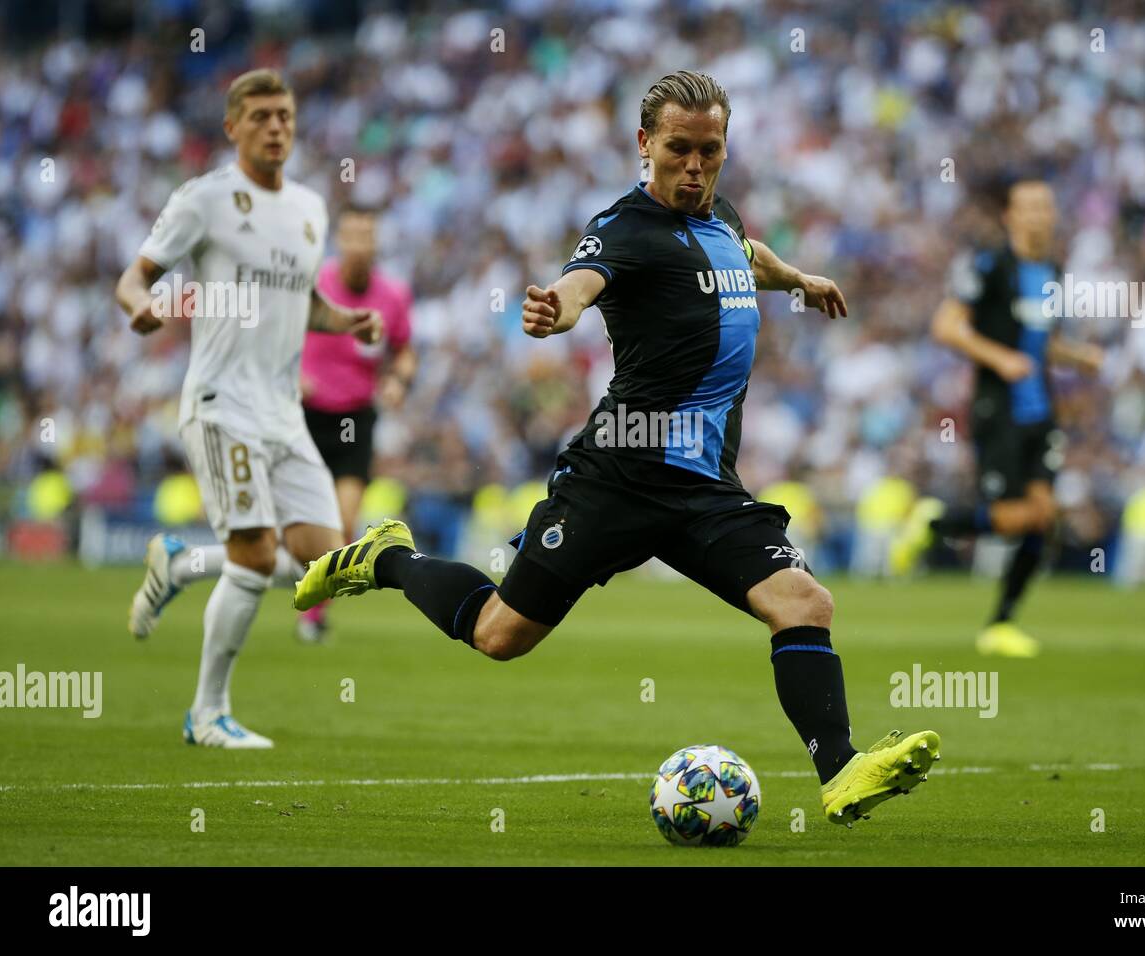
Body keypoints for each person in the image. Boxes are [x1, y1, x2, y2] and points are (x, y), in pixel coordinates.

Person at [295, 71, 941, 827]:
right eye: (678, 151)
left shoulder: (720, 216)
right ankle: (386, 559)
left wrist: (798, 278)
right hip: (618, 475)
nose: (695, 168)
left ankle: (841, 772)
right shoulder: (624, 229)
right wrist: (552, 311)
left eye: (711, 151)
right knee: (501, 635)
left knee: (804, 602)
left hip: (703, 486)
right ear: (644, 145)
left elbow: (745, 253)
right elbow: (580, 283)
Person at [117, 69, 381, 747]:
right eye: (260, 116)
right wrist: (139, 307)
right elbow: (137, 275)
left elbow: (300, 302)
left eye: (285, 116)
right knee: (257, 558)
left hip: (282, 414)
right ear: (232, 126)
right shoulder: (204, 199)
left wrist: (345, 320)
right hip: (221, 404)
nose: (275, 127)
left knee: (327, 569)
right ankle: (207, 714)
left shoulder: (309, 209)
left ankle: (181, 565)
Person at [891, 176, 1103, 657]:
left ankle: (1001, 623)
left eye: (1046, 207)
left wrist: (1075, 358)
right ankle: (935, 523)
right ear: (1009, 215)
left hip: (1040, 406)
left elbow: (1038, 340)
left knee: (1043, 517)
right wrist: (999, 358)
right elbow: (946, 327)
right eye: (1028, 207)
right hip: (998, 406)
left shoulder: (1052, 268)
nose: (1039, 216)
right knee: (1017, 517)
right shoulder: (988, 265)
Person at [296, 204, 415, 643]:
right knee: (301, 520)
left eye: (367, 236)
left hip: (356, 419)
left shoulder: (393, 294)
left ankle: (313, 614)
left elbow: (404, 349)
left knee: (342, 521)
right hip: (306, 415)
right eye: (352, 236)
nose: (360, 245)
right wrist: (293, 374)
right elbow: (279, 334)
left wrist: (399, 381)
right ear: (339, 240)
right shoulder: (316, 284)